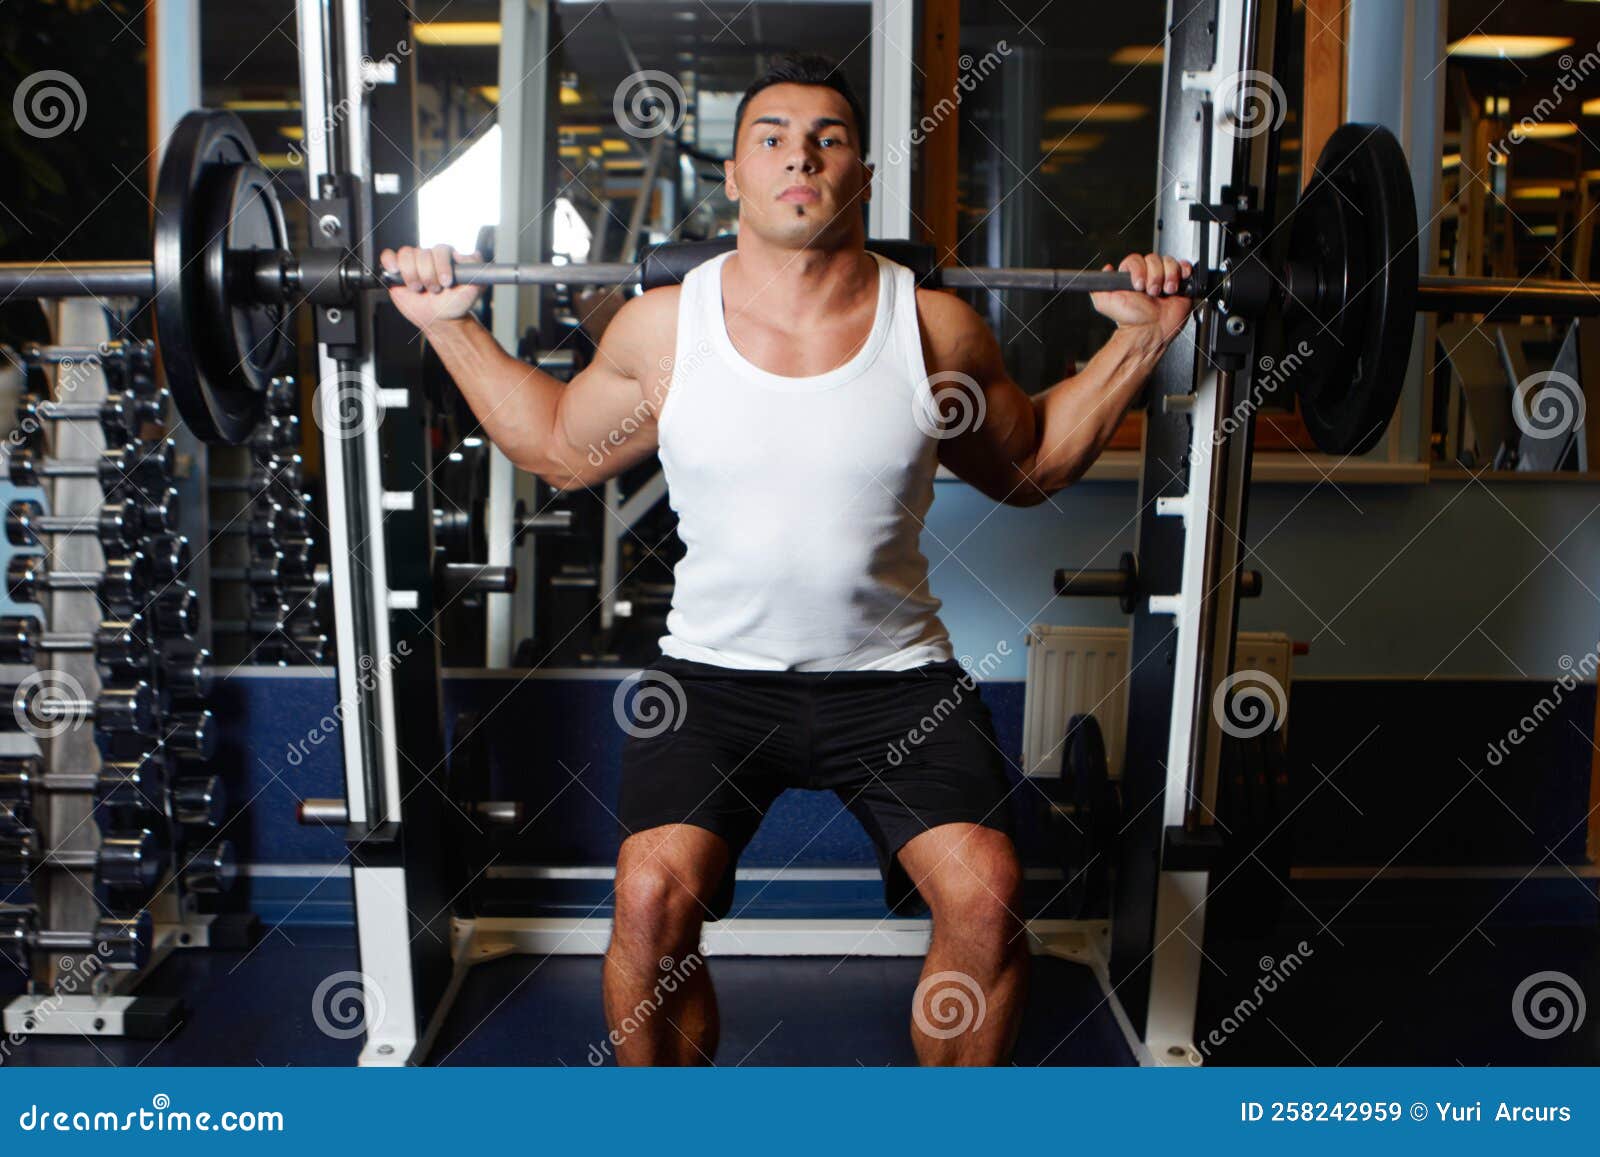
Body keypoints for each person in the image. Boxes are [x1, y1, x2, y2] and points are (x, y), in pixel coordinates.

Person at [380, 53, 1193, 1066]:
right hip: (714, 681)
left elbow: (1025, 466)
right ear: (733, 174)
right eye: (770, 137)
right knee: (648, 899)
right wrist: (446, 326)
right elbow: (557, 446)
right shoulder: (665, 328)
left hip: (893, 681)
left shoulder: (932, 328)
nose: (798, 156)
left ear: (858, 173)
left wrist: (1137, 344)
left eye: (828, 138)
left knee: (985, 894)